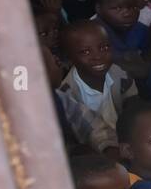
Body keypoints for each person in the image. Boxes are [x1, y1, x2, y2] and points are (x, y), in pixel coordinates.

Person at [55, 20, 137, 154]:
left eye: (104, 47)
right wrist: (113, 150)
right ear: (69, 58)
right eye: (86, 52)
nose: (98, 56)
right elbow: (92, 131)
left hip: (124, 138)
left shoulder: (120, 74)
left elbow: (133, 106)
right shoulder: (67, 93)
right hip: (97, 149)